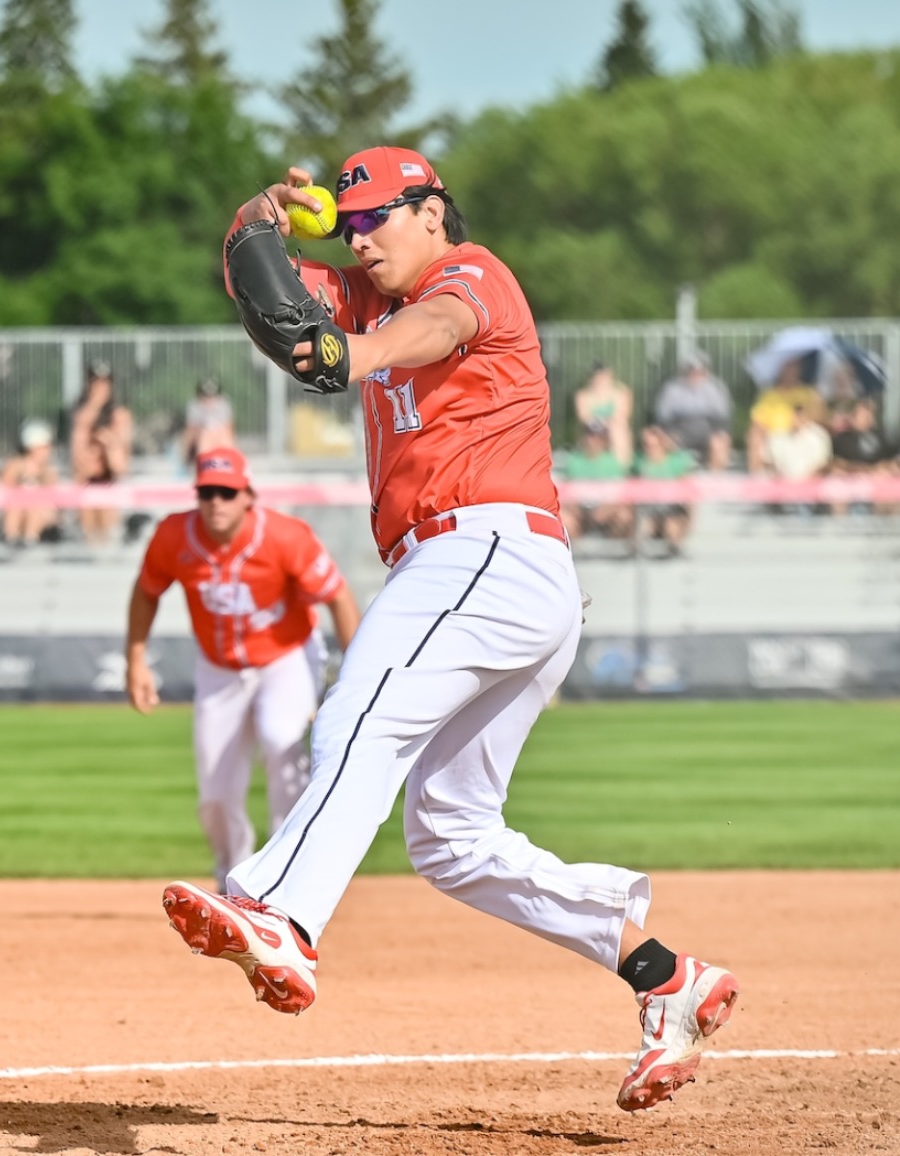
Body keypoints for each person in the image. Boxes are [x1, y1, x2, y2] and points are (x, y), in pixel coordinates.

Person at [161, 147, 738, 1114]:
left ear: (431, 211)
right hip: (496, 575)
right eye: (347, 225)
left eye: (378, 216)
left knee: (361, 715)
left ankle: (281, 913)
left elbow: (436, 327)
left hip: (483, 550)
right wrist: (256, 214)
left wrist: (359, 352)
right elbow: (253, 272)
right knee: (451, 838)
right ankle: (664, 978)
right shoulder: (358, 295)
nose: (360, 236)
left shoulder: (469, 274)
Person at [126, 448, 361, 892]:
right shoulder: (174, 536)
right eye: (208, 492)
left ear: (248, 495)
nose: (217, 501)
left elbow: (338, 596)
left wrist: (356, 674)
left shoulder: (285, 537)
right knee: (215, 794)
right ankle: (233, 880)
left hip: (285, 656)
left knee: (280, 741)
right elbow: (147, 590)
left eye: (228, 492)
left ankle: (287, 876)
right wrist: (136, 659)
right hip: (219, 669)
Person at [70, 363, 134, 546]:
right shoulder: (81, 413)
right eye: (96, 384)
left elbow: (121, 464)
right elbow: (78, 455)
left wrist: (108, 442)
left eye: (104, 384)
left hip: (110, 478)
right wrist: (94, 405)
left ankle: (105, 541)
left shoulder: (119, 414)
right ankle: (89, 539)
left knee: (106, 500)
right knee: (86, 492)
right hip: (87, 479)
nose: (100, 388)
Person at [746, 357, 825, 476]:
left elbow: (820, 418)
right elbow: (758, 425)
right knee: (760, 440)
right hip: (777, 438)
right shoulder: (769, 396)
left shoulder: (808, 393)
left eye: (794, 368)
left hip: (802, 436)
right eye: (787, 368)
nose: (791, 371)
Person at [652, 353, 733, 470]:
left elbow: (723, 418)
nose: (695, 374)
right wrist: (670, 433)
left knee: (720, 442)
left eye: (700, 371)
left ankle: (717, 480)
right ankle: (667, 478)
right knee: (659, 440)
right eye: (691, 370)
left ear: (706, 372)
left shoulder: (716, 388)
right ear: (684, 371)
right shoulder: (671, 389)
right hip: (680, 430)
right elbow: (663, 418)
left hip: (708, 429)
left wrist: (719, 433)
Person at [560, 419, 635, 543]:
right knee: (564, 518)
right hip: (579, 510)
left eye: (597, 436)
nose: (593, 440)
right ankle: (577, 553)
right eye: (590, 435)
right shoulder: (574, 462)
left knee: (624, 517)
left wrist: (606, 510)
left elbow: (622, 495)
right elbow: (565, 492)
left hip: (607, 510)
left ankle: (616, 553)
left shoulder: (613, 463)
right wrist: (574, 509)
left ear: (604, 439)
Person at [634, 426, 698, 558]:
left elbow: (689, 492)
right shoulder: (639, 463)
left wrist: (690, 519)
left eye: (653, 445)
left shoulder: (676, 463)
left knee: (672, 527)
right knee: (642, 528)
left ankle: (674, 551)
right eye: (646, 445)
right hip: (648, 510)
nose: (649, 448)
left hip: (671, 509)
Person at [0, 419, 60, 547]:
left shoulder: (49, 470)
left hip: (42, 511)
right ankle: (12, 539)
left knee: (36, 507)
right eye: (44, 447)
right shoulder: (14, 465)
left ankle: (30, 539)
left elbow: (52, 496)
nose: (48, 451)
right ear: (32, 447)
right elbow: (4, 490)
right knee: (15, 506)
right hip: (18, 509)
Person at [573, 362, 634, 466]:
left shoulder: (621, 393)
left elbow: (622, 416)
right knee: (595, 435)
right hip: (592, 429)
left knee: (618, 431)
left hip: (612, 428)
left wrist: (606, 423)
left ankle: (622, 468)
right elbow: (584, 418)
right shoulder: (583, 395)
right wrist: (600, 423)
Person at [181, 377, 236, 467]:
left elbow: (229, 428)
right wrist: (187, 452)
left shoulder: (223, 404)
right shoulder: (195, 406)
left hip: (220, 436)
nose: (209, 400)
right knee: (205, 436)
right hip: (202, 437)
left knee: (224, 436)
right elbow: (191, 431)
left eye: (212, 396)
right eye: (205, 396)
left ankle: (227, 464)